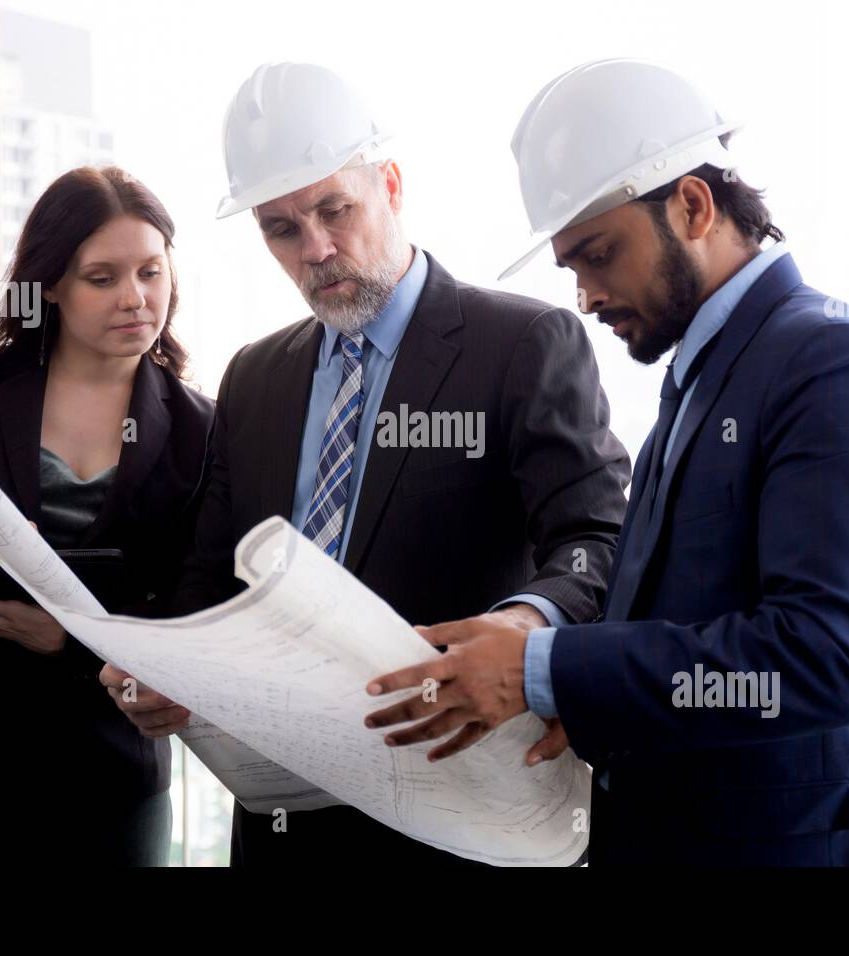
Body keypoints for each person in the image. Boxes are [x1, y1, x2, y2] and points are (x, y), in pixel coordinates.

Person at [366, 59, 849, 866]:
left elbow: (830, 659)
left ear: (693, 205)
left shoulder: (836, 365)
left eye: (598, 255)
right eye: (571, 268)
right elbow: (685, 614)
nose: (586, 296)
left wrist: (544, 670)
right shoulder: (704, 373)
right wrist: (562, 665)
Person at [102, 61, 631, 867]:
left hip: (454, 814)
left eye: (333, 209)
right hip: (284, 819)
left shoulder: (523, 346)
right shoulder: (254, 376)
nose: (316, 248)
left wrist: (523, 629)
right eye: (282, 229)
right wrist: (169, 665)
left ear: (389, 183)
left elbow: (597, 538)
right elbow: (208, 578)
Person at [0, 166, 215, 866]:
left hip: (109, 774)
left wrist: (66, 642)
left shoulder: (203, 429)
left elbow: (194, 613)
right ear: (50, 284)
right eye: (102, 277)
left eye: (150, 270)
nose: (136, 299)